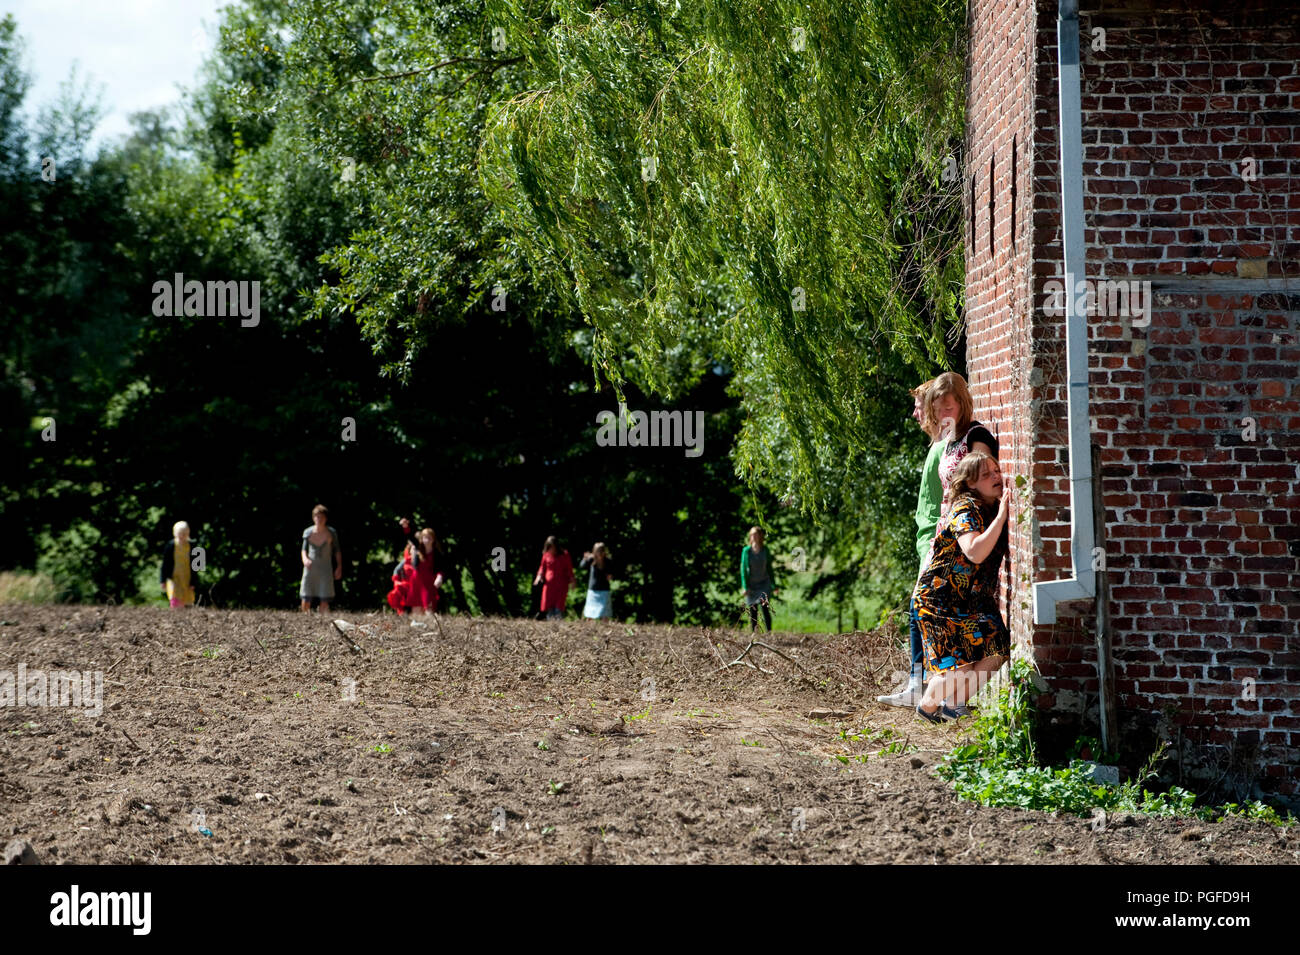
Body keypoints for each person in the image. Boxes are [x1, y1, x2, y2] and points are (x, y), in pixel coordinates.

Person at [912, 451, 1011, 723]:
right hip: (938, 599)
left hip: (971, 599)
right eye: (986, 475)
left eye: (996, 470)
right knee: (958, 668)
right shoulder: (965, 507)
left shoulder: (990, 506)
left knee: (998, 647)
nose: (996, 477)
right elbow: (974, 553)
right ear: (970, 484)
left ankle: (955, 705)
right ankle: (927, 707)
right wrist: (1001, 518)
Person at [879, 379, 941, 707]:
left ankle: (928, 687)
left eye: (919, 405)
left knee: (922, 611)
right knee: (919, 612)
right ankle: (921, 684)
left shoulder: (945, 447)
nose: (914, 413)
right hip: (927, 543)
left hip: (936, 543)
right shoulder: (937, 445)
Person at [300, 505, 342, 613]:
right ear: (313, 518)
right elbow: (304, 549)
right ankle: (305, 618)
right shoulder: (308, 532)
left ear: (325, 518)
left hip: (325, 568)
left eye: (321, 517)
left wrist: (339, 566)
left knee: (325, 596)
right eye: (317, 517)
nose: (319, 519)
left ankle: (322, 620)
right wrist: (305, 559)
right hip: (310, 567)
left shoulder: (331, 533)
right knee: (306, 594)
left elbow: (337, 551)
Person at [739, 526, 778, 633]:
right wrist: (745, 587)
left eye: (756, 534)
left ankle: (769, 632)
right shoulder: (746, 551)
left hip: (764, 583)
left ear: (760, 536)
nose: (754, 537)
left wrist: (774, 585)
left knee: (764, 607)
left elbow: (769, 568)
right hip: (751, 585)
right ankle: (754, 634)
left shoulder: (765, 550)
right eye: (752, 534)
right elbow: (743, 570)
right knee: (753, 609)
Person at [534, 536, 574, 620]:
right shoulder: (546, 555)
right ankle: (551, 626)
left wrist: (572, 580)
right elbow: (542, 567)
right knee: (549, 607)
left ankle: (559, 625)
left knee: (559, 607)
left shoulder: (564, 555)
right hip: (549, 586)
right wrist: (539, 576)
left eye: (553, 548)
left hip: (561, 585)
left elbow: (569, 569)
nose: (551, 550)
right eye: (549, 548)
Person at [160, 521, 198, 609]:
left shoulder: (193, 546)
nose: (182, 536)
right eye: (179, 534)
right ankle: (175, 616)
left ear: (188, 533)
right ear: (175, 533)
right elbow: (165, 564)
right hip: (173, 577)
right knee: (174, 597)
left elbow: (197, 566)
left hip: (187, 577)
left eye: (184, 534)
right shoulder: (170, 546)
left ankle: (186, 617)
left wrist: (194, 581)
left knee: (187, 599)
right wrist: (162, 580)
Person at [579, 542, 615, 619]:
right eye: (598, 551)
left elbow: (612, 573)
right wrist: (585, 559)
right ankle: (588, 628)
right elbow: (582, 566)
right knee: (590, 612)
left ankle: (605, 628)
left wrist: (610, 576)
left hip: (604, 590)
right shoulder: (591, 559)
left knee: (605, 613)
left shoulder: (607, 561)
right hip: (593, 590)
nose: (599, 553)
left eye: (601, 551)